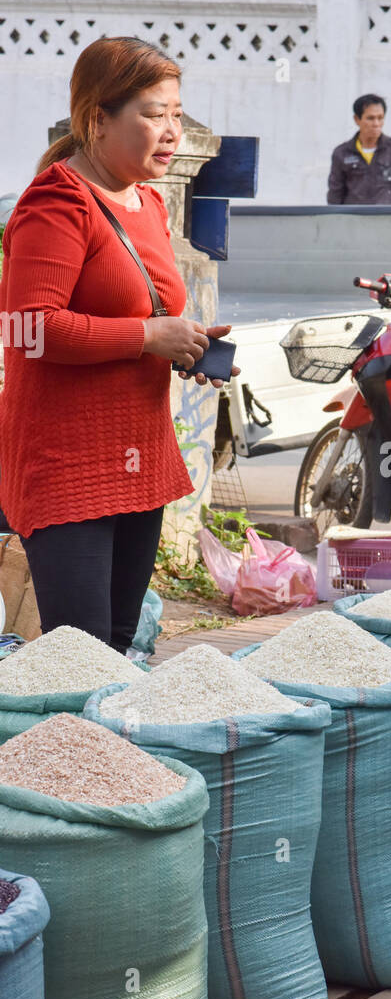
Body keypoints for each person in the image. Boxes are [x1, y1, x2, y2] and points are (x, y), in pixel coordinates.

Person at [0, 35, 239, 653]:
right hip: (68, 466)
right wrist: (145, 336)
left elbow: (145, 316)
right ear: (97, 118)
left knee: (118, 647)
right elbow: (28, 328)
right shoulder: (56, 203)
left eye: (177, 115)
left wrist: (180, 344)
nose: (170, 131)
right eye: (153, 114)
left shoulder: (150, 203)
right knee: (78, 658)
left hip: (138, 459)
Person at [327, 93, 391, 205]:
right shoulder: (342, 153)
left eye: (380, 118)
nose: (376, 124)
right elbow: (335, 196)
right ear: (357, 119)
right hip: (354, 220)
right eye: (370, 118)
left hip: (388, 220)